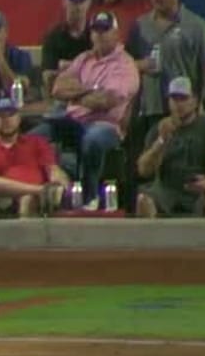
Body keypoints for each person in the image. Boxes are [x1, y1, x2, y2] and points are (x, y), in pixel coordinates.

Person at [33, 11, 140, 211]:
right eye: (96, 31)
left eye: (105, 30)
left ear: (116, 34)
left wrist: (75, 93)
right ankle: (44, 193)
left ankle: (90, 197)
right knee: (35, 137)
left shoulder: (125, 65)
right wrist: (91, 90)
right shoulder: (84, 59)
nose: (99, 35)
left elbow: (106, 101)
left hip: (106, 125)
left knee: (93, 139)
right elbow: (57, 88)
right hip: (72, 120)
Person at [127, 0, 205, 137]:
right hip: (150, 109)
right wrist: (140, 65)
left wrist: (203, 103)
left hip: (184, 109)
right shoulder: (140, 26)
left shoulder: (196, 26)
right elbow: (125, 65)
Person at [135, 76, 205, 218]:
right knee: (143, 200)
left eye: (183, 98)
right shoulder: (159, 128)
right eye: (174, 99)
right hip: (166, 189)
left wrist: (204, 184)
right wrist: (161, 142)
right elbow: (143, 171)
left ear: (195, 101)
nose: (178, 104)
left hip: (199, 190)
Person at [0, 97, 69, 218]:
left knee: (28, 199)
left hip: (33, 199)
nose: (7, 120)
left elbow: (52, 168)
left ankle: (35, 196)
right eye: (1, 116)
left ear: (18, 119)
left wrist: (58, 181)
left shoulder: (36, 142)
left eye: (11, 115)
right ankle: (38, 190)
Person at [41, 0, 94, 96]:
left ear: (89, 2)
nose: (78, 6)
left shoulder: (97, 35)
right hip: (61, 99)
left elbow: (106, 74)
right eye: (73, 1)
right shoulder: (53, 37)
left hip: (92, 98)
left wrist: (67, 67)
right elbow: (48, 79)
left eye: (82, 0)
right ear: (64, 2)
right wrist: (88, 70)